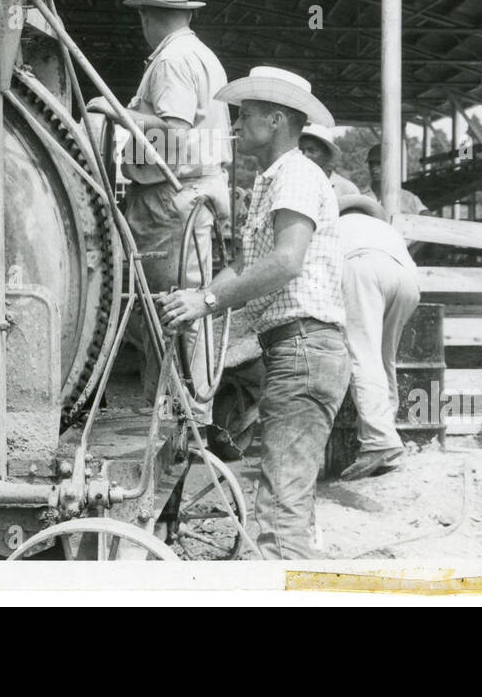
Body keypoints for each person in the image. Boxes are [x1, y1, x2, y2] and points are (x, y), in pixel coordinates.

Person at [159, 66, 349, 560]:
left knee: (280, 513)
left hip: (304, 347)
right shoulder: (273, 180)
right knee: (287, 499)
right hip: (297, 349)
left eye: (246, 115)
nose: (237, 125)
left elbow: (286, 261)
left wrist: (208, 301)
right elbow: (243, 267)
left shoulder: (297, 177)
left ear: (279, 119)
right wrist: (194, 302)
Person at [85, 0, 231, 423]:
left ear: (148, 16)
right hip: (193, 193)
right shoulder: (202, 56)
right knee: (182, 303)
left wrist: (117, 112)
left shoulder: (171, 62)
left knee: (167, 308)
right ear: (185, 13)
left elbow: (174, 135)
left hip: (172, 197)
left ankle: (178, 414)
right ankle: (187, 411)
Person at [334, 194, 422, 480]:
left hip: (363, 268)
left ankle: (378, 441)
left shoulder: (335, 227)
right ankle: (387, 435)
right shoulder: (386, 230)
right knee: (385, 359)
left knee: (362, 356)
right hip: (406, 279)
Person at [298, 123, 359, 199]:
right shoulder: (294, 184)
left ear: (327, 155)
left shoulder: (347, 190)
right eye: (301, 150)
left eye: (311, 150)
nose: (304, 155)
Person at [366, 142, 428, 215]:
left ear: (390, 165)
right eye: (371, 163)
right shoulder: (361, 197)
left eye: (379, 163)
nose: (374, 168)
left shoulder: (407, 198)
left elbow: (431, 220)